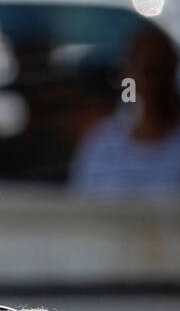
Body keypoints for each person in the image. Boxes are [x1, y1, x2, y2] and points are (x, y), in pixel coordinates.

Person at [69, 23, 180, 195]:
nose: (154, 82)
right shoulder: (101, 145)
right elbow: (81, 210)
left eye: (162, 69)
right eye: (148, 70)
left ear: (172, 73)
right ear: (128, 74)